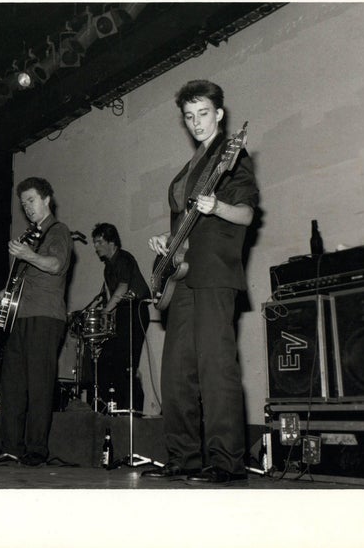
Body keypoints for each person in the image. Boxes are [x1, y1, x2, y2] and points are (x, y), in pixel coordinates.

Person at [142, 80, 258, 485]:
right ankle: (184, 457)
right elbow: (184, 223)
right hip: (183, 276)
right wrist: (167, 240)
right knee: (176, 370)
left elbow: (246, 214)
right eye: (189, 117)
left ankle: (227, 462)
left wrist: (217, 206)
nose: (196, 123)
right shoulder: (190, 167)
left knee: (215, 367)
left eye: (203, 113)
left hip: (214, 273)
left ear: (219, 114)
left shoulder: (232, 156)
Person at [0, 177, 71, 466]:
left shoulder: (58, 231)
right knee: (12, 385)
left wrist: (28, 254)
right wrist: (2, 296)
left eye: (31, 200)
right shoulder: (30, 236)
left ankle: (36, 449)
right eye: (23, 204)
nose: (27, 208)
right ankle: (10, 446)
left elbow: (55, 265)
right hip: (19, 316)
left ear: (47, 199)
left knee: (39, 385)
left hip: (45, 316)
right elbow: (23, 279)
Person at [90, 223, 150, 414]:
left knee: (127, 363)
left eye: (99, 242)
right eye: (94, 242)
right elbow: (112, 297)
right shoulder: (107, 268)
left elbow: (122, 288)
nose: (96, 246)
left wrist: (105, 311)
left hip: (135, 311)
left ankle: (133, 409)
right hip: (122, 313)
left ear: (112, 242)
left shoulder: (124, 258)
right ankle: (115, 408)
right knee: (111, 361)